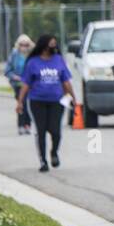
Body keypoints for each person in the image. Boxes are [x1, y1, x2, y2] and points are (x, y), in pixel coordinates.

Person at [16, 33, 76, 173]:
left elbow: (66, 81)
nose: (54, 47)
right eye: (51, 45)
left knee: (55, 131)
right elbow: (26, 84)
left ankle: (54, 152)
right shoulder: (33, 62)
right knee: (41, 131)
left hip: (57, 101)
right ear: (43, 46)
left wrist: (73, 97)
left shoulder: (59, 60)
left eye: (55, 45)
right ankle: (43, 161)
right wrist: (20, 102)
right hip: (37, 101)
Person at [5, 35, 34, 136]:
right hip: (18, 84)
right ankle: (21, 125)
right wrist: (15, 77)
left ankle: (27, 125)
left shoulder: (32, 55)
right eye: (22, 45)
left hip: (30, 84)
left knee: (29, 105)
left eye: (26, 45)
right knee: (21, 104)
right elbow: (7, 71)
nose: (24, 47)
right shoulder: (14, 55)